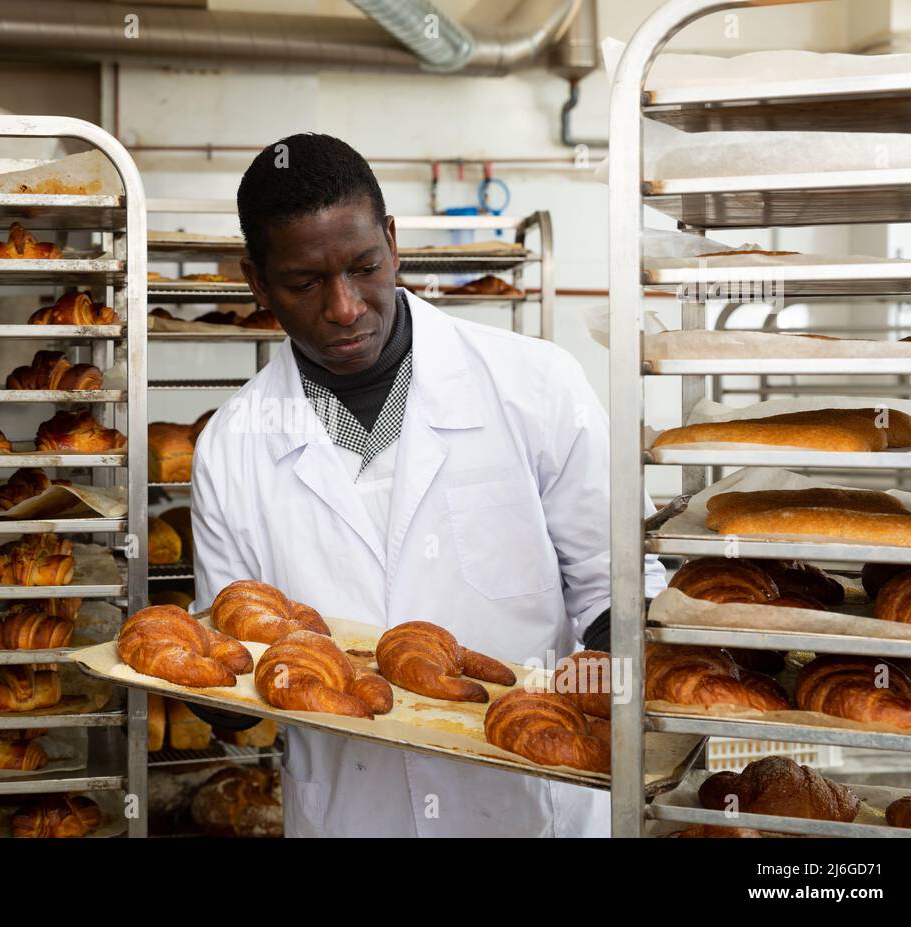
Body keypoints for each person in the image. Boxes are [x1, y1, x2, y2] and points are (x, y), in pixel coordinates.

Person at [189, 132, 664, 837]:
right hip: (356, 811)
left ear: (392, 241)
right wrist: (203, 688)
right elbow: (232, 652)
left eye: (364, 267)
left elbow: (619, 587)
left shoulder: (536, 385)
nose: (345, 307)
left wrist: (608, 692)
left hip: (529, 804)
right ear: (256, 282)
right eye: (304, 284)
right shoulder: (232, 446)